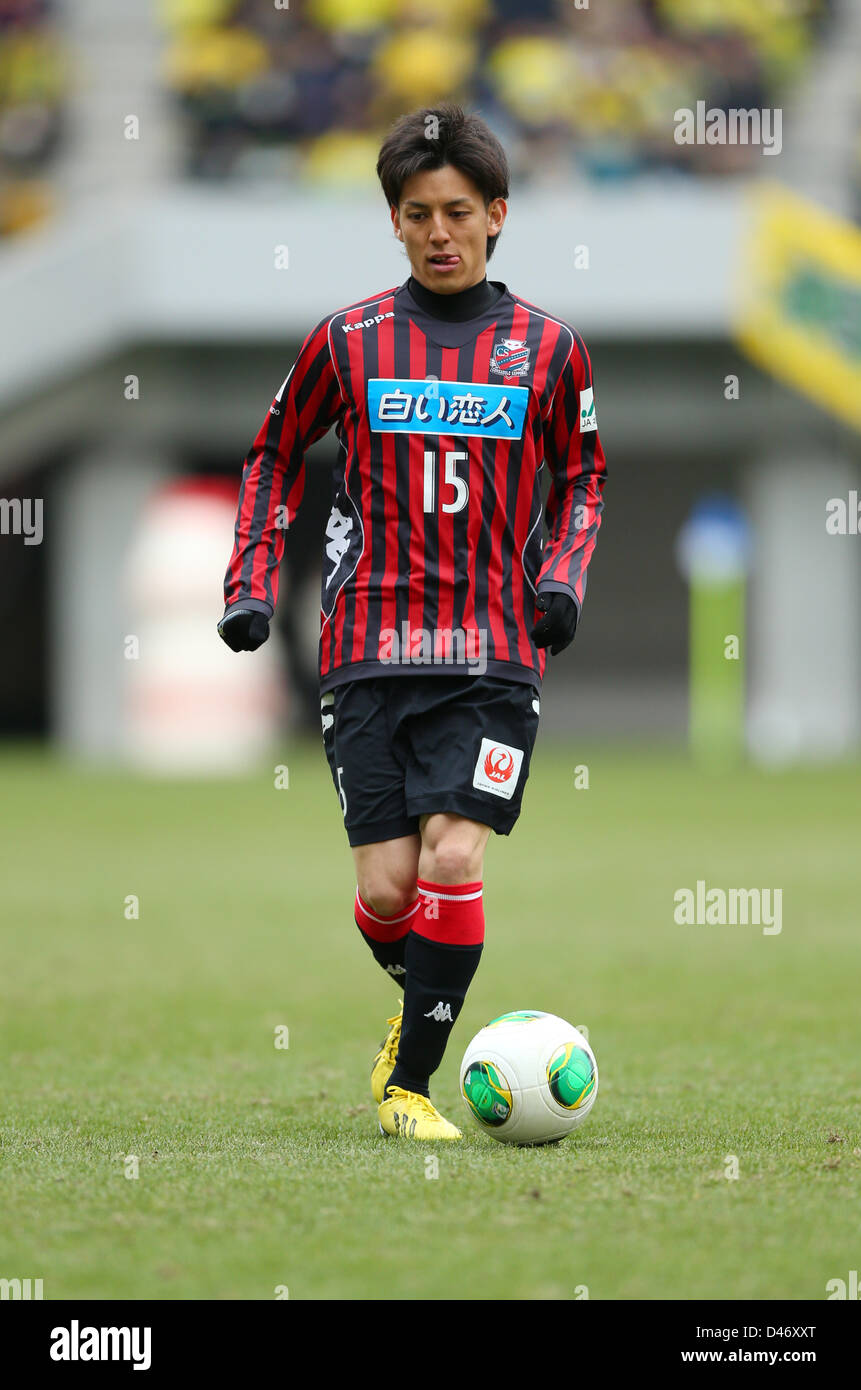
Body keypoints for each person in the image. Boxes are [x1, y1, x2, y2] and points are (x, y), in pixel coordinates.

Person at [218, 103, 607, 1141]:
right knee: (389, 892)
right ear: (393, 222)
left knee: (451, 858)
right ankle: (427, 998)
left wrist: (560, 579)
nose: (439, 232)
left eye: (457, 212)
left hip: (490, 655)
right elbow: (269, 456)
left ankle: (411, 1084)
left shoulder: (546, 349)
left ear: (496, 215)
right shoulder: (347, 340)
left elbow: (581, 477)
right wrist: (250, 584)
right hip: (366, 654)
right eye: (416, 213)